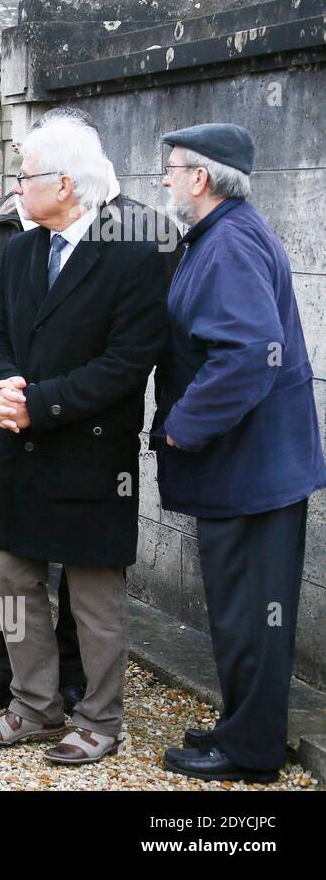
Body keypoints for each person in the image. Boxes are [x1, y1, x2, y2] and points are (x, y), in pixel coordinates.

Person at [0, 117, 168, 765]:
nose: (14, 186)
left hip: (90, 449)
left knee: (94, 590)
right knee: (7, 569)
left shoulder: (133, 253)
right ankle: (35, 706)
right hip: (18, 445)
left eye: (24, 175)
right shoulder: (23, 250)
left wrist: (38, 404)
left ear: (65, 184)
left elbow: (126, 363)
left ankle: (99, 720)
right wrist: (2, 385)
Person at [155, 124, 326, 784]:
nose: (165, 180)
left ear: (200, 178)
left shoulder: (228, 242)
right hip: (250, 469)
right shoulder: (224, 234)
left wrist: (183, 425)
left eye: (172, 169)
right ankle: (244, 729)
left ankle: (251, 753)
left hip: (252, 471)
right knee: (241, 611)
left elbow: (250, 353)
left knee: (251, 615)